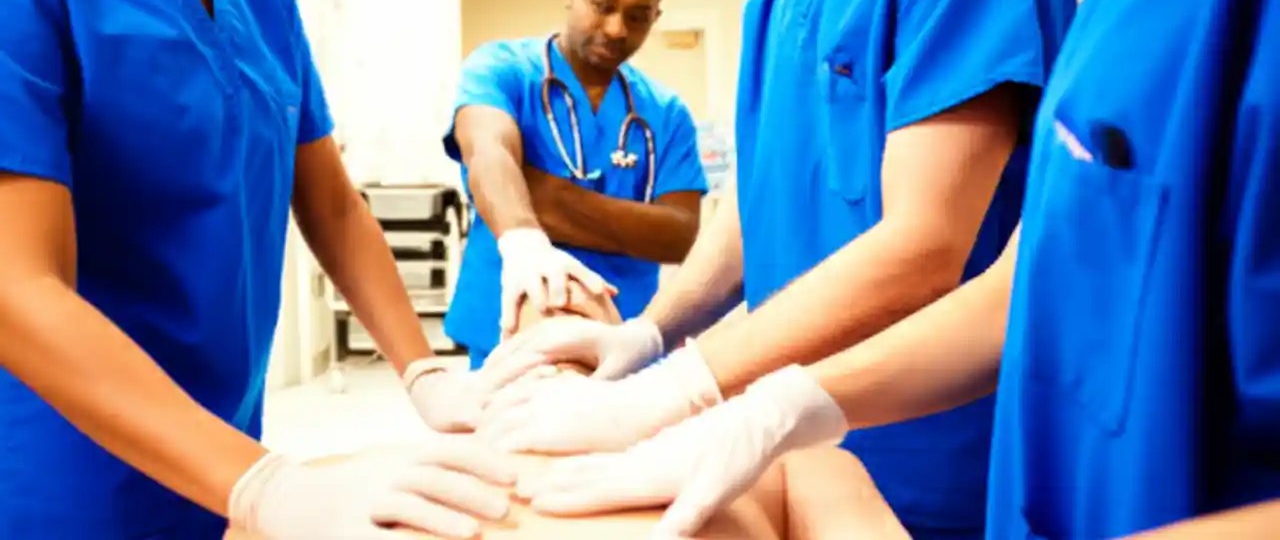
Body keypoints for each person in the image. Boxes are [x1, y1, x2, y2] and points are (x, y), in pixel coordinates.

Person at [514, 0, 1280, 538]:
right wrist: (652, 338)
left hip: (924, 469)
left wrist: (693, 388)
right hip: (806, 463)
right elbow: (769, 198)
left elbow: (925, 245)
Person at [0, 0, 545, 538]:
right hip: (68, 479)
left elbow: (333, 207)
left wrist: (425, 375)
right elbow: (17, 284)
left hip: (222, 459)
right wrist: (266, 485)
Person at [225, 279, 910, 540]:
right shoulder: (373, 475)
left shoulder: (763, 456)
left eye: (581, 305)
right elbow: (248, 514)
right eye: (533, 317)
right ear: (487, 370)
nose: (555, 306)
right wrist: (267, 494)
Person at [442, 0, 709, 369]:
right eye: (602, 5)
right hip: (510, 336)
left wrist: (545, 198)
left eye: (638, 16)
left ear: (656, 17)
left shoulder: (666, 112)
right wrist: (527, 242)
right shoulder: (501, 69)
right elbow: (489, 154)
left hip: (622, 342)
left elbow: (679, 235)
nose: (616, 28)